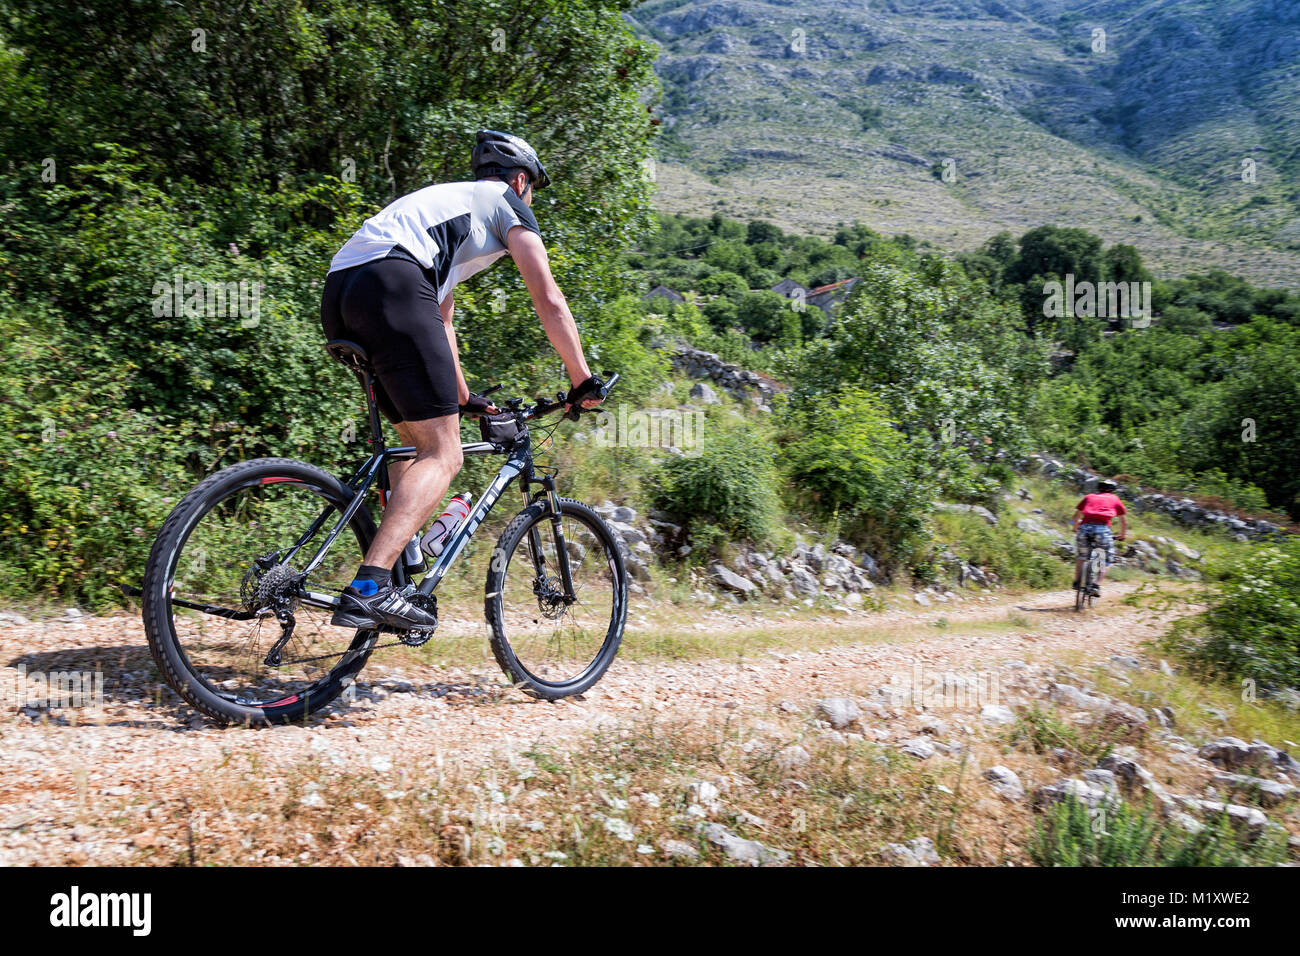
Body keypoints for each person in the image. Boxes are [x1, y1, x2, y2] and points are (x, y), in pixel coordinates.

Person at [320, 129, 605, 631]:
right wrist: (582, 380)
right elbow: (549, 298)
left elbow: (440, 318)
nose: (531, 199)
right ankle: (370, 586)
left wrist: (462, 397)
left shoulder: (446, 214)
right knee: (444, 454)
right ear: (521, 180)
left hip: (343, 290)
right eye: (532, 188)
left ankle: (399, 572)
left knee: (413, 445)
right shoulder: (505, 202)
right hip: (394, 285)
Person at [1072, 479, 1127, 596]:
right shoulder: (1114, 499)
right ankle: (1096, 585)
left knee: (1081, 556)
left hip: (1084, 528)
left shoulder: (1089, 497)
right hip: (1102, 530)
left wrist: (1076, 528)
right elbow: (1123, 522)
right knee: (1106, 558)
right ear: (1112, 490)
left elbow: (1076, 515)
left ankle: (1077, 581)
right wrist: (1122, 535)